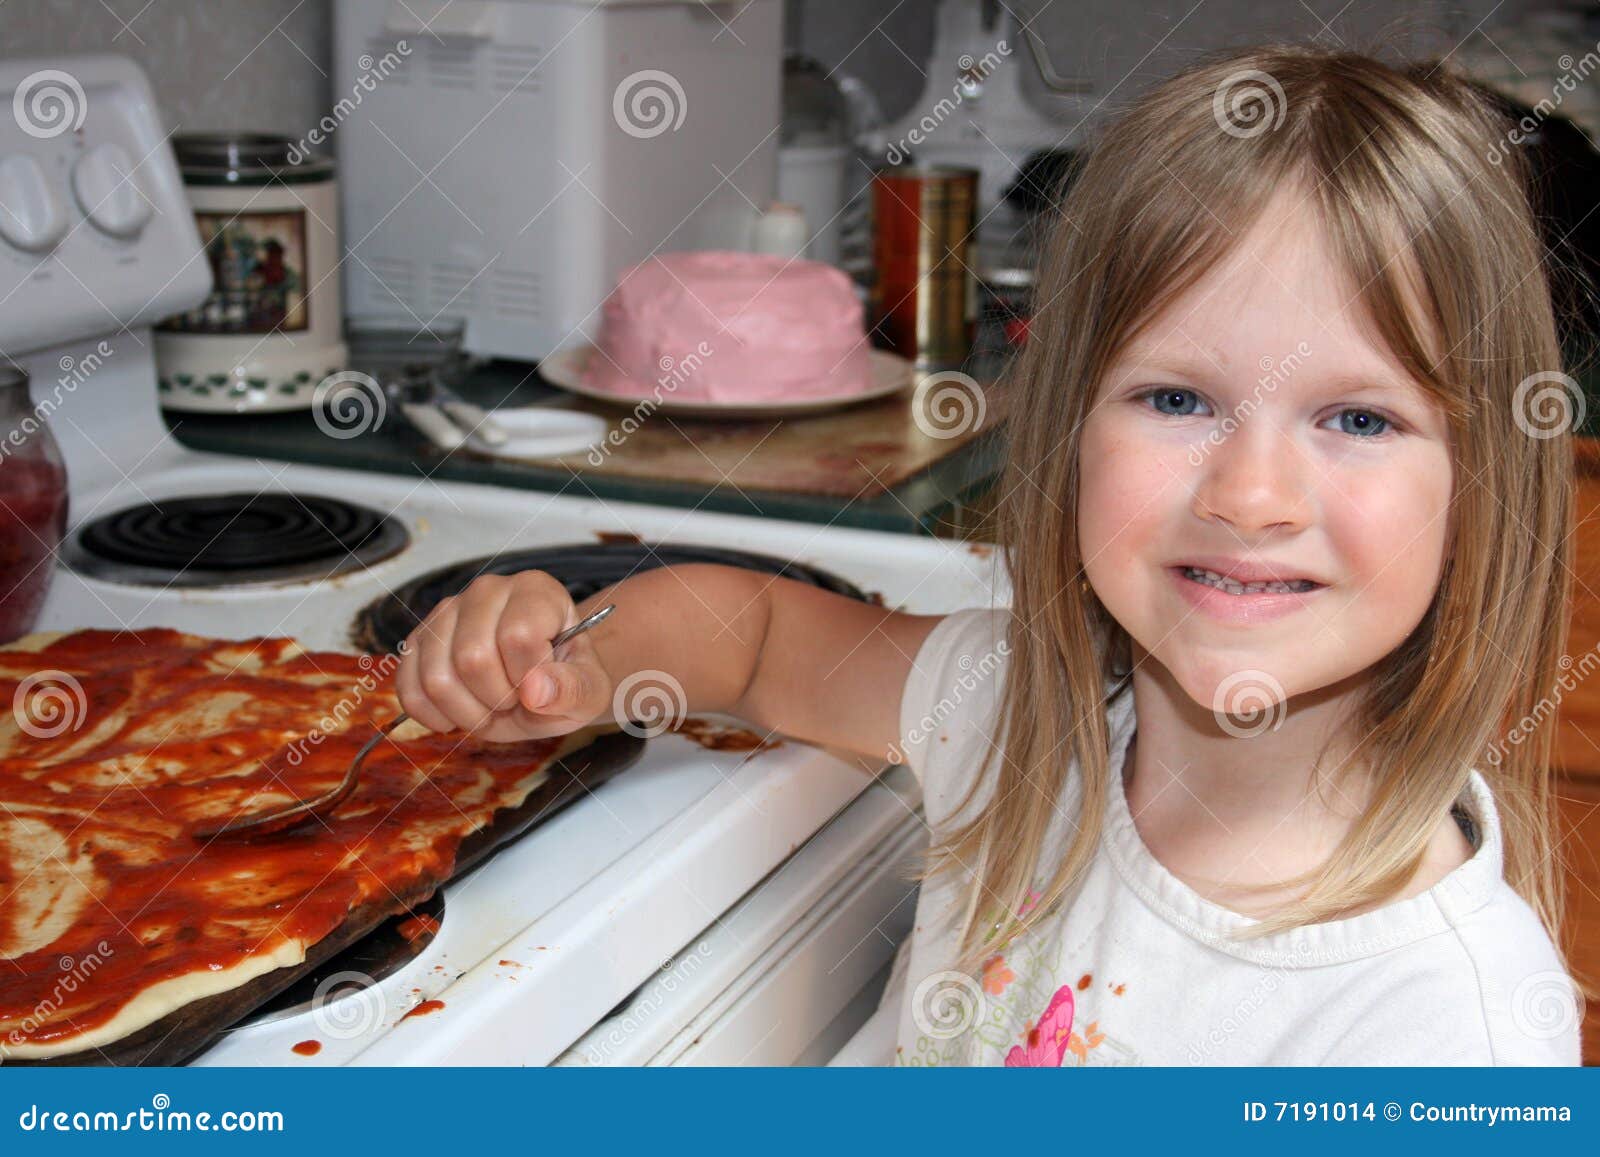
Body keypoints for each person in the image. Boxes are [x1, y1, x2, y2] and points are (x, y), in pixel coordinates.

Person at [394, 44, 1589, 1066]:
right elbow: (752, 639)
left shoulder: (1450, 1025)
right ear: (1068, 426)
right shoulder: (1025, 712)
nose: (1250, 494)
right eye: (1176, 398)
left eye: (1359, 418)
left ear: (1483, 487)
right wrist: (578, 661)